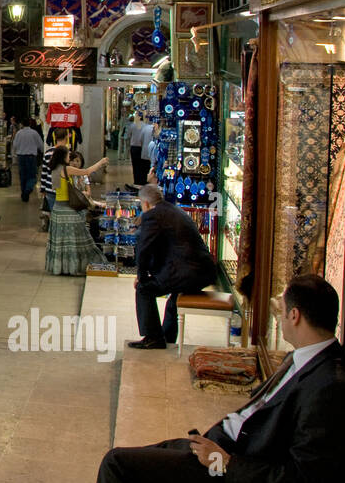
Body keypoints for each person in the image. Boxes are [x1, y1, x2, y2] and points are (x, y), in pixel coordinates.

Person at [94, 274, 345, 483]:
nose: (279, 315)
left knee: (118, 466)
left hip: (231, 473)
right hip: (219, 451)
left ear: (295, 315)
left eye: (282, 309)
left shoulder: (329, 387)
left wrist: (225, 463)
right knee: (140, 463)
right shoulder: (305, 359)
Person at [129, 183, 219, 348]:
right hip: (203, 272)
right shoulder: (174, 210)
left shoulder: (153, 215)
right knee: (174, 298)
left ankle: (153, 338)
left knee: (144, 289)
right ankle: (167, 338)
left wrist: (141, 277)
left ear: (146, 203)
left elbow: (144, 249)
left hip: (187, 272)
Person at [45, 146, 109, 276]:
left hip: (57, 209)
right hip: (68, 209)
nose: (70, 157)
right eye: (68, 155)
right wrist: (101, 162)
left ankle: (61, 267)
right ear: (63, 156)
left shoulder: (54, 170)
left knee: (62, 240)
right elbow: (86, 171)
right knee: (80, 238)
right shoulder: (66, 169)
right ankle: (77, 266)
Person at [12, 118, 44, 202]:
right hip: (31, 157)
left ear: (22, 124)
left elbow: (15, 145)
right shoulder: (34, 133)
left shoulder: (19, 133)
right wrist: (41, 152)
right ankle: (27, 190)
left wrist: (15, 154)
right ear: (29, 124)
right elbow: (41, 145)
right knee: (32, 176)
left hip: (21, 157)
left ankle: (24, 193)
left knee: (23, 176)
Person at [129, 112, 151, 185]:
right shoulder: (145, 126)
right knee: (142, 166)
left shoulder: (132, 125)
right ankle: (142, 181)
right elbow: (142, 139)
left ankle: (136, 181)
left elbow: (129, 134)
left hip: (134, 147)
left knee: (135, 166)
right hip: (141, 147)